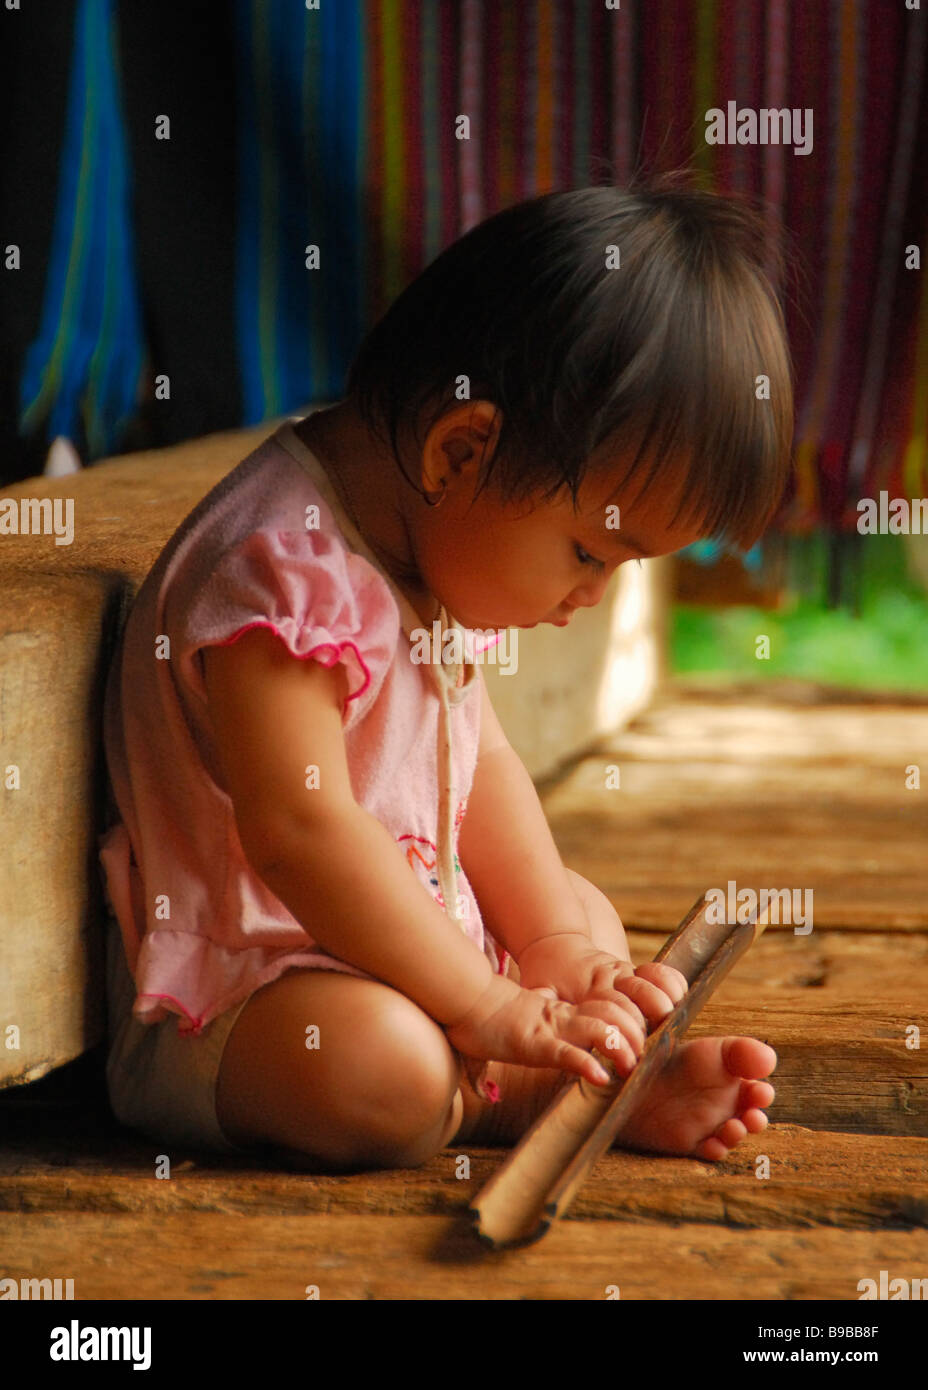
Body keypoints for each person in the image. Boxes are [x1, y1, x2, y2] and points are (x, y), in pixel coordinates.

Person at [98, 177, 791, 1172]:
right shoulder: (280, 578)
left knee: (581, 911)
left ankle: (565, 1072)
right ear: (462, 449)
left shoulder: (422, 551)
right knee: (386, 1067)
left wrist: (548, 945)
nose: (593, 593)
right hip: (246, 1002)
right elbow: (300, 831)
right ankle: (527, 1094)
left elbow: (487, 765)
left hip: (404, 952)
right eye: (592, 552)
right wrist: (489, 1001)